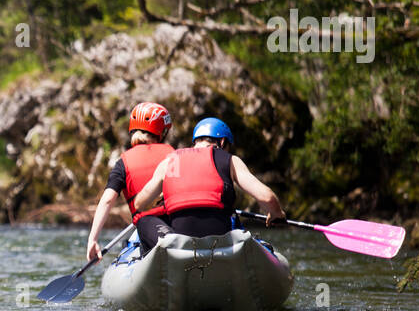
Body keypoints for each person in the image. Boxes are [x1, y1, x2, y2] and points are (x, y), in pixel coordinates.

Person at [131, 117, 286, 247]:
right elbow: (267, 198)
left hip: (180, 241)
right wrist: (276, 213)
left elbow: (140, 204)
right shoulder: (230, 160)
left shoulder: (170, 161)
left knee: (144, 221)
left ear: (195, 142)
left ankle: (149, 261)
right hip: (220, 239)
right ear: (223, 142)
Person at [86, 102, 175, 261]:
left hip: (149, 224)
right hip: (181, 219)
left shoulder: (123, 163)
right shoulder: (174, 155)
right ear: (161, 132)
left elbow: (107, 200)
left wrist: (92, 239)